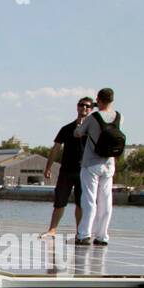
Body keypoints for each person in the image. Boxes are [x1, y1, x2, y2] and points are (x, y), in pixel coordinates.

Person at [75, 87, 123, 246]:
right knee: (106, 200)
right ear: (112, 100)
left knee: (89, 200)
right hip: (109, 164)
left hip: (91, 163)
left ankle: (84, 234)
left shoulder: (93, 117)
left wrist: (82, 122)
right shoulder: (119, 117)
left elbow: (78, 133)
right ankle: (102, 236)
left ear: (99, 100)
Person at [43, 97, 92, 237]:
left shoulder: (92, 130)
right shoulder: (67, 128)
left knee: (81, 203)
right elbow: (56, 148)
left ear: (91, 109)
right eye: (82, 105)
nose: (84, 108)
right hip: (66, 170)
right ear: (77, 107)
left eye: (88, 106)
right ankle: (52, 230)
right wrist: (48, 167)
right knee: (59, 201)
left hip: (84, 171)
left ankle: (79, 232)